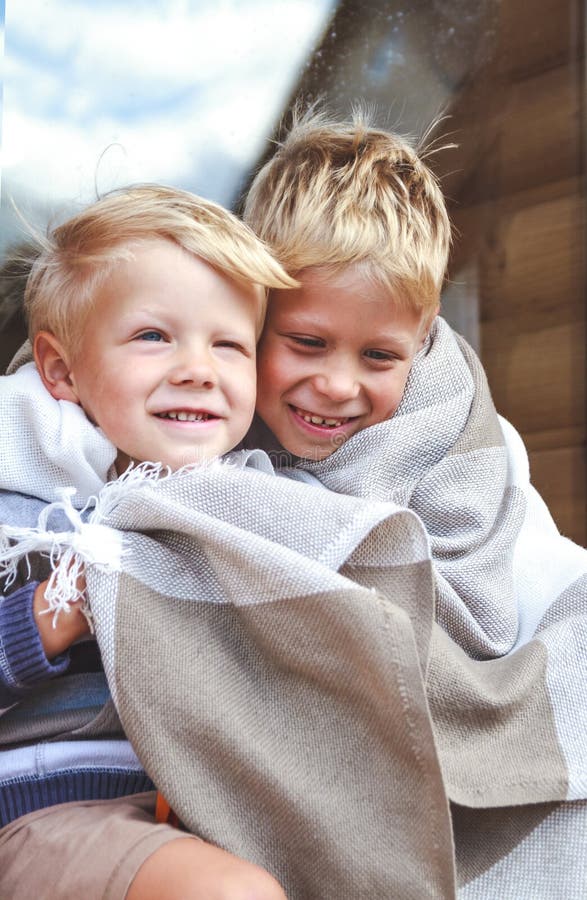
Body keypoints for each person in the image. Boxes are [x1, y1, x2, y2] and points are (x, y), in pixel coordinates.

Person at [0, 184, 294, 900]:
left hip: (202, 812)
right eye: (153, 336)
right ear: (62, 370)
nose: (198, 366)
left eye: (228, 344)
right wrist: (58, 609)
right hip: (46, 812)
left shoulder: (247, 508)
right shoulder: (24, 505)